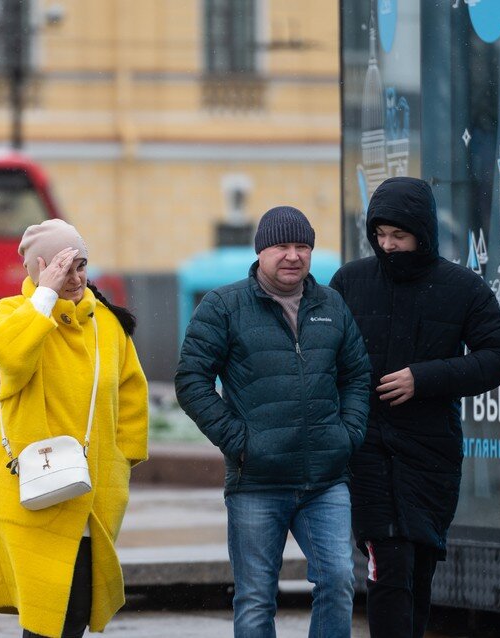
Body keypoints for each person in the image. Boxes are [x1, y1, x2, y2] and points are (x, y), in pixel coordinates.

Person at [329, 177, 500, 638]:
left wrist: (424, 378)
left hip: (431, 453)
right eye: (381, 236)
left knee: (418, 568)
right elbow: (320, 350)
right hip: (366, 450)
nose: (388, 246)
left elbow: (497, 357)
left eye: (399, 237)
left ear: (423, 235)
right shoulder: (350, 281)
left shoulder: (463, 288)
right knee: (388, 563)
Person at [176, 206, 371, 638]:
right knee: (255, 599)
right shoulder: (225, 306)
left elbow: (357, 374)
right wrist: (242, 442)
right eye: (282, 246)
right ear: (261, 251)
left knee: (339, 581)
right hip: (257, 483)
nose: (293, 255)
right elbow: (191, 381)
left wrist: (348, 434)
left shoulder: (330, 305)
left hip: (325, 480)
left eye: (302, 246)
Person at [0, 219, 149, 638]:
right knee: (45, 614)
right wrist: (45, 296)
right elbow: (13, 360)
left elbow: (131, 394)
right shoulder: (13, 314)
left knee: (74, 614)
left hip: (91, 490)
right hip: (28, 487)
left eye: (81, 265)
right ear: (38, 268)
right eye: (63, 268)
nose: (76, 278)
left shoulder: (106, 323)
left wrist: (121, 462)